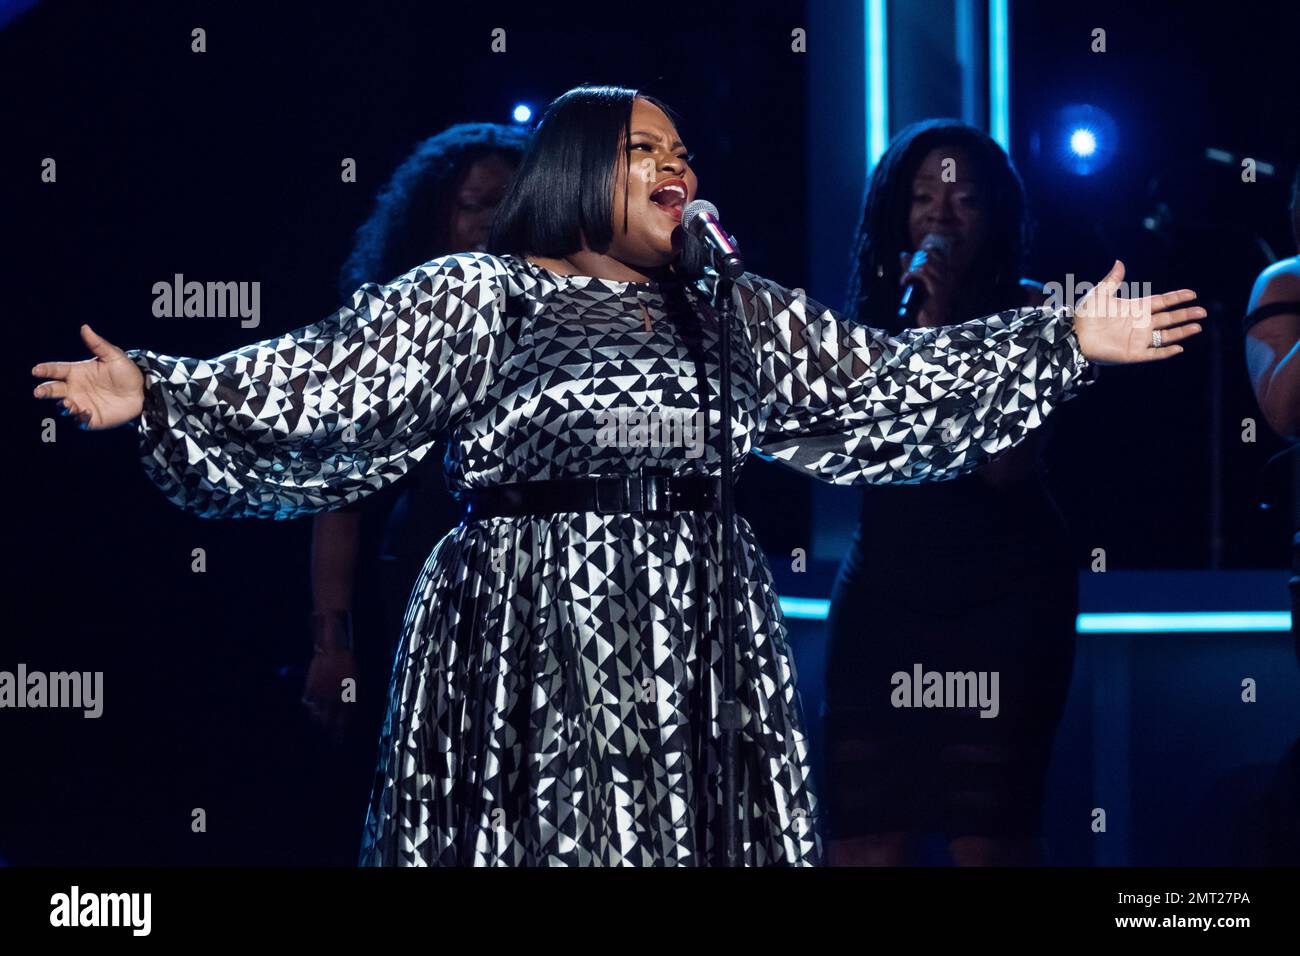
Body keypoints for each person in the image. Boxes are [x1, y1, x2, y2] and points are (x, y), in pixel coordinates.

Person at [31, 84, 1205, 866]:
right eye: (647, 149)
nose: (676, 167)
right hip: (523, 618)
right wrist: (166, 391)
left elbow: (869, 390)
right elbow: (328, 385)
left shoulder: (726, 310)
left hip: (696, 619)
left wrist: (1054, 340)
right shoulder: (484, 290)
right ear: (584, 167)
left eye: (682, 152)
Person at [824, 119, 1082, 866]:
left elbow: (1006, 466)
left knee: (986, 841)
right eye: (923, 199)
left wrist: (941, 328)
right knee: (865, 835)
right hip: (888, 591)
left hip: (1005, 598)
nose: (942, 217)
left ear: (997, 214)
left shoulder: (1036, 315)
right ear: (894, 213)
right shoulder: (873, 319)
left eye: (966, 199)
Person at [303, 123, 529, 742]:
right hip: (434, 582)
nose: (491, 223)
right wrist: (332, 644)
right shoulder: (397, 338)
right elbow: (340, 500)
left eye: (507, 206)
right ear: (435, 218)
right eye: (474, 206)